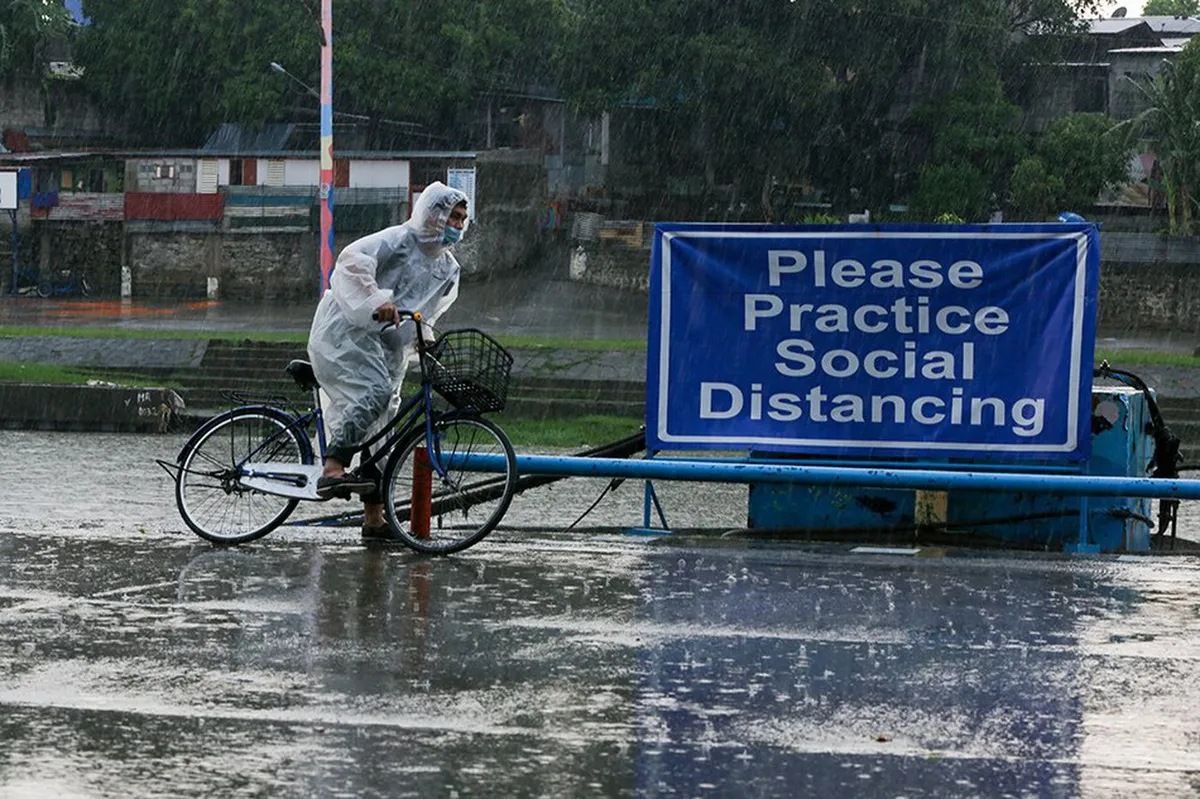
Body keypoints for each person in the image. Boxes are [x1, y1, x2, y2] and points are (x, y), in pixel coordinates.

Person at [307, 181, 470, 541]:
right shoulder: (397, 241)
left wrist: (423, 341)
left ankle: (375, 520)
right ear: (432, 213)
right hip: (346, 332)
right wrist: (374, 300)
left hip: (385, 350)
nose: (456, 225)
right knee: (374, 393)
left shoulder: (447, 269)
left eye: (462, 219)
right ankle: (333, 468)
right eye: (451, 216)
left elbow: (426, 313)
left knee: (383, 432)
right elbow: (351, 264)